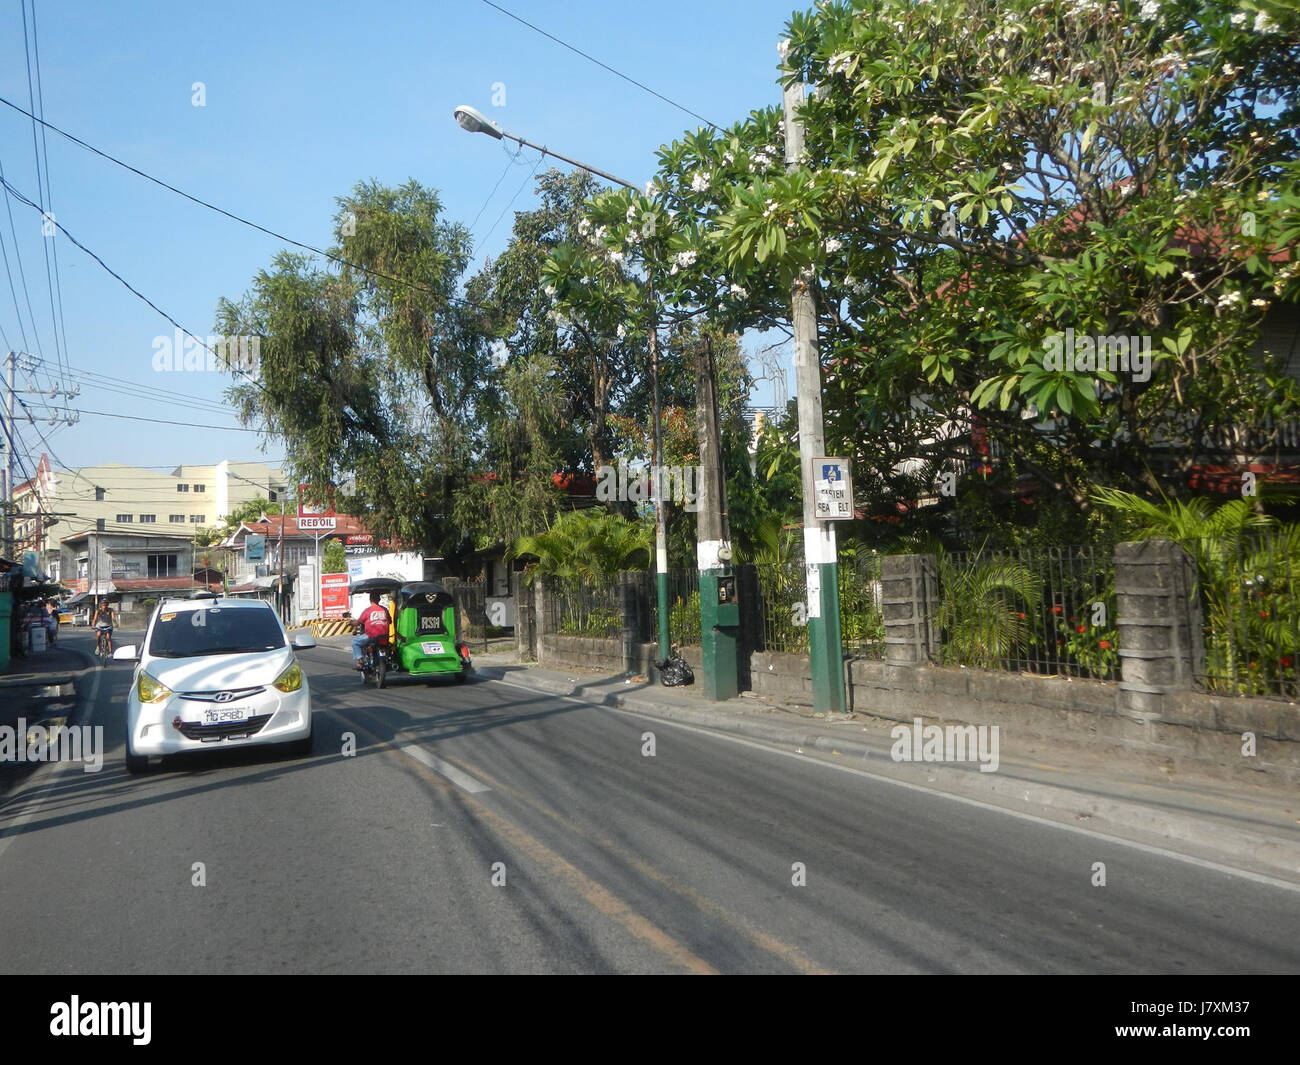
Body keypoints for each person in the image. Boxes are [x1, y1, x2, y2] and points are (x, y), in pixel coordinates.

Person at [351, 592, 391, 670]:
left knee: (355, 642)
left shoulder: (368, 610)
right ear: (379, 599)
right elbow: (390, 621)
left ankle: (360, 661)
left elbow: (358, 622)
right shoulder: (385, 609)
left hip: (371, 636)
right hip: (384, 636)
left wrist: (351, 623)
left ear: (370, 600)